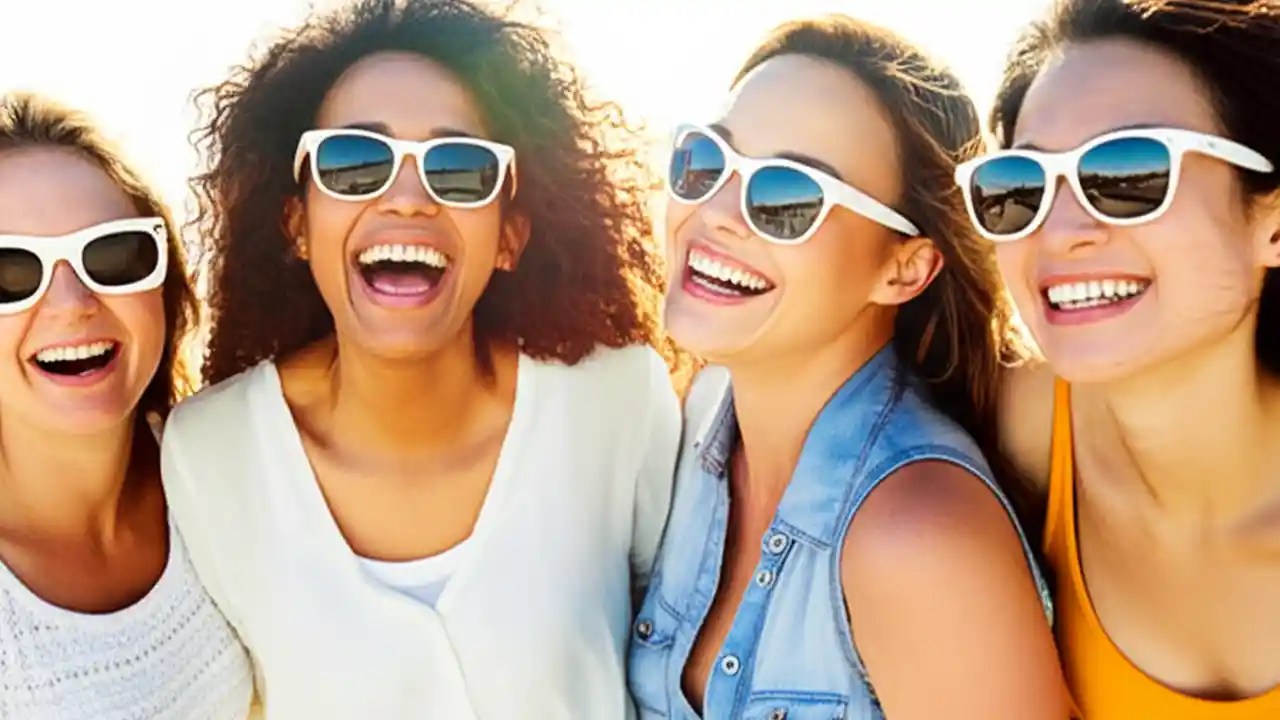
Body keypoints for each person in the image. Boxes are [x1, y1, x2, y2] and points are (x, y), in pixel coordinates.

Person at [160, 0, 679, 717]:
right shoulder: (208, 453)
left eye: (460, 169)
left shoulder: (617, 401)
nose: (406, 198)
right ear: (297, 224)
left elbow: (682, 660)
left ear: (510, 236)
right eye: (353, 162)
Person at [628, 16, 1070, 720]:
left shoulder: (921, 539)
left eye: (785, 198)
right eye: (707, 162)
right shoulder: (691, 428)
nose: (715, 212)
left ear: (905, 268)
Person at [958, 0, 1280, 716]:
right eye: (1021, 189)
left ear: (1273, 223)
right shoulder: (1017, 424)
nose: (1062, 230)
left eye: (1129, 174)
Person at [0, 93, 253, 719]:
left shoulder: (225, 475)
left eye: (113, 255)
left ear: (165, 287)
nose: (71, 301)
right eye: (8, 272)